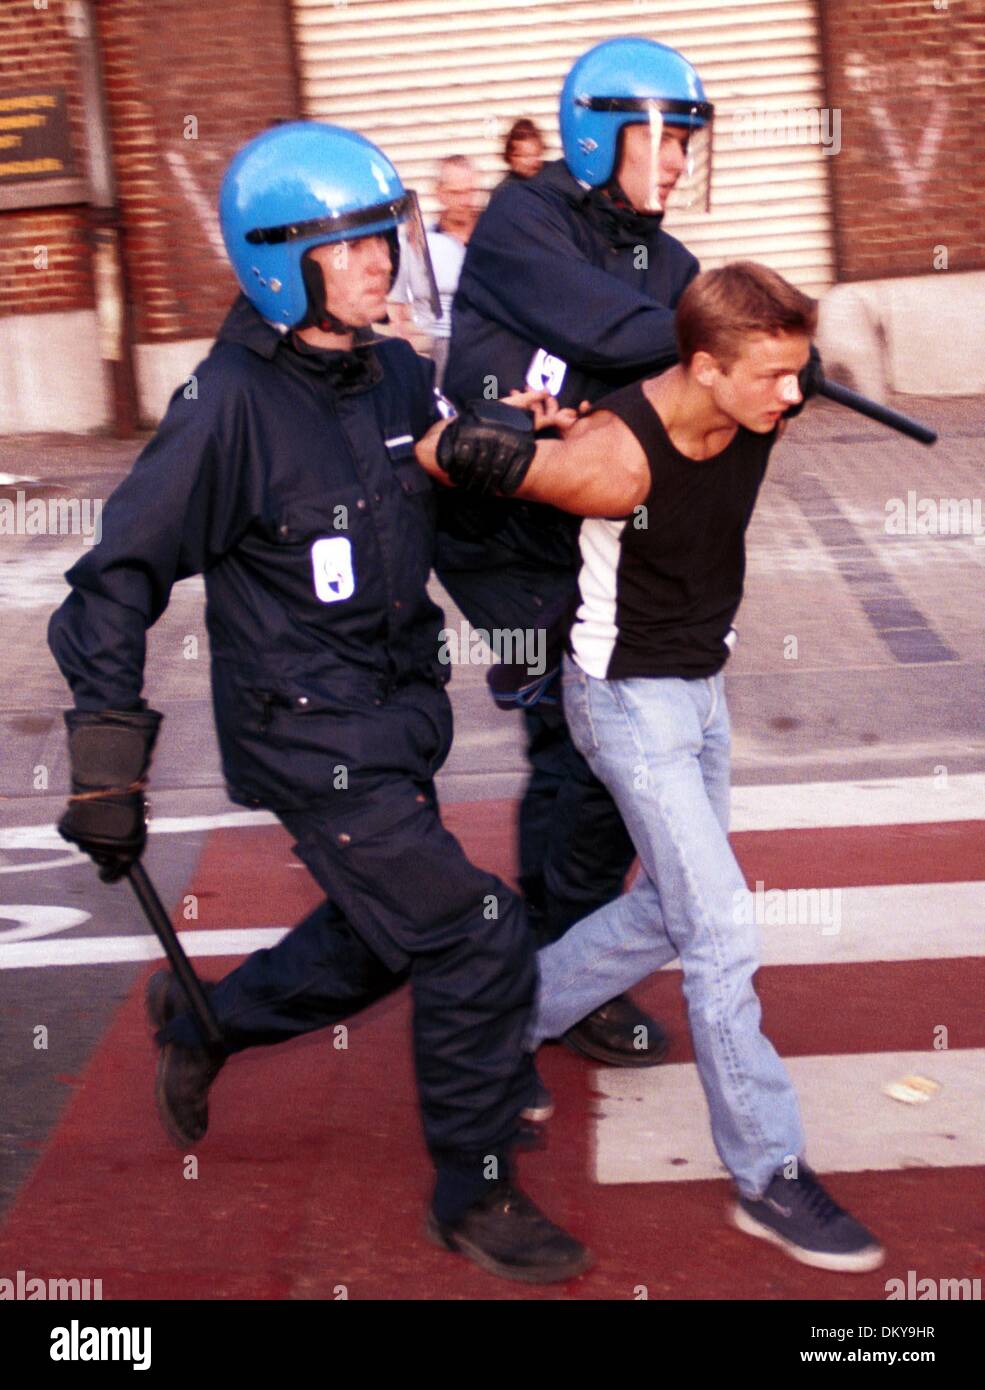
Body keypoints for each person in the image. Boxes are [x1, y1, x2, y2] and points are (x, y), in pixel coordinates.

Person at [47, 120, 591, 1286]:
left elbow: (449, 530)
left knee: (382, 934)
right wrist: (105, 759)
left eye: (379, 237)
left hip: (396, 724)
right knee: (475, 929)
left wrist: (508, 489)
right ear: (272, 258)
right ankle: (474, 1189)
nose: (377, 264)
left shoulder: (394, 373)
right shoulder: (227, 405)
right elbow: (112, 580)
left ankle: (205, 1020)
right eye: (344, 246)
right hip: (304, 735)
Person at [418, 260, 884, 1274]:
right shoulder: (613, 464)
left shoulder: (755, 402)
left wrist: (789, 367)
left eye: (797, 372)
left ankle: (504, 1022)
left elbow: (754, 371)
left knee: (671, 909)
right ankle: (767, 1172)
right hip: (625, 703)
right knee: (718, 925)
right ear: (708, 371)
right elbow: (444, 454)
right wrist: (507, 434)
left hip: (701, 690)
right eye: (772, 376)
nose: (791, 396)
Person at [437, 36, 715, 1068]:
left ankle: (566, 962)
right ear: (603, 135)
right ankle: (556, 971)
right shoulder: (524, 216)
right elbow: (616, 324)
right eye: (664, 139)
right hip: (493, 533)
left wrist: (760, 353)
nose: (679, 162)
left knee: (590, 755)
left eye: (688, 142)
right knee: (574, 746)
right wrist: (725, 343)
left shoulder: (667, 257)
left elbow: (673, 346)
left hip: (579, 530)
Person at [387, 156, 480, 386]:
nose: (465, 201)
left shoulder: (492, 236)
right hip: (441, 350)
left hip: (486, 351)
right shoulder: (418, 243)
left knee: (492, 405)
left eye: (470, 192)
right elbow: (396, 306)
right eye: (456, 193)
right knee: (446, 415)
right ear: (440, 193)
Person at [500, 118, 545, 184]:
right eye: (526, 156)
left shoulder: (553, 172)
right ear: (510, 157)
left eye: (537, 155)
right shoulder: (505, 191)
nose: (534, 162)